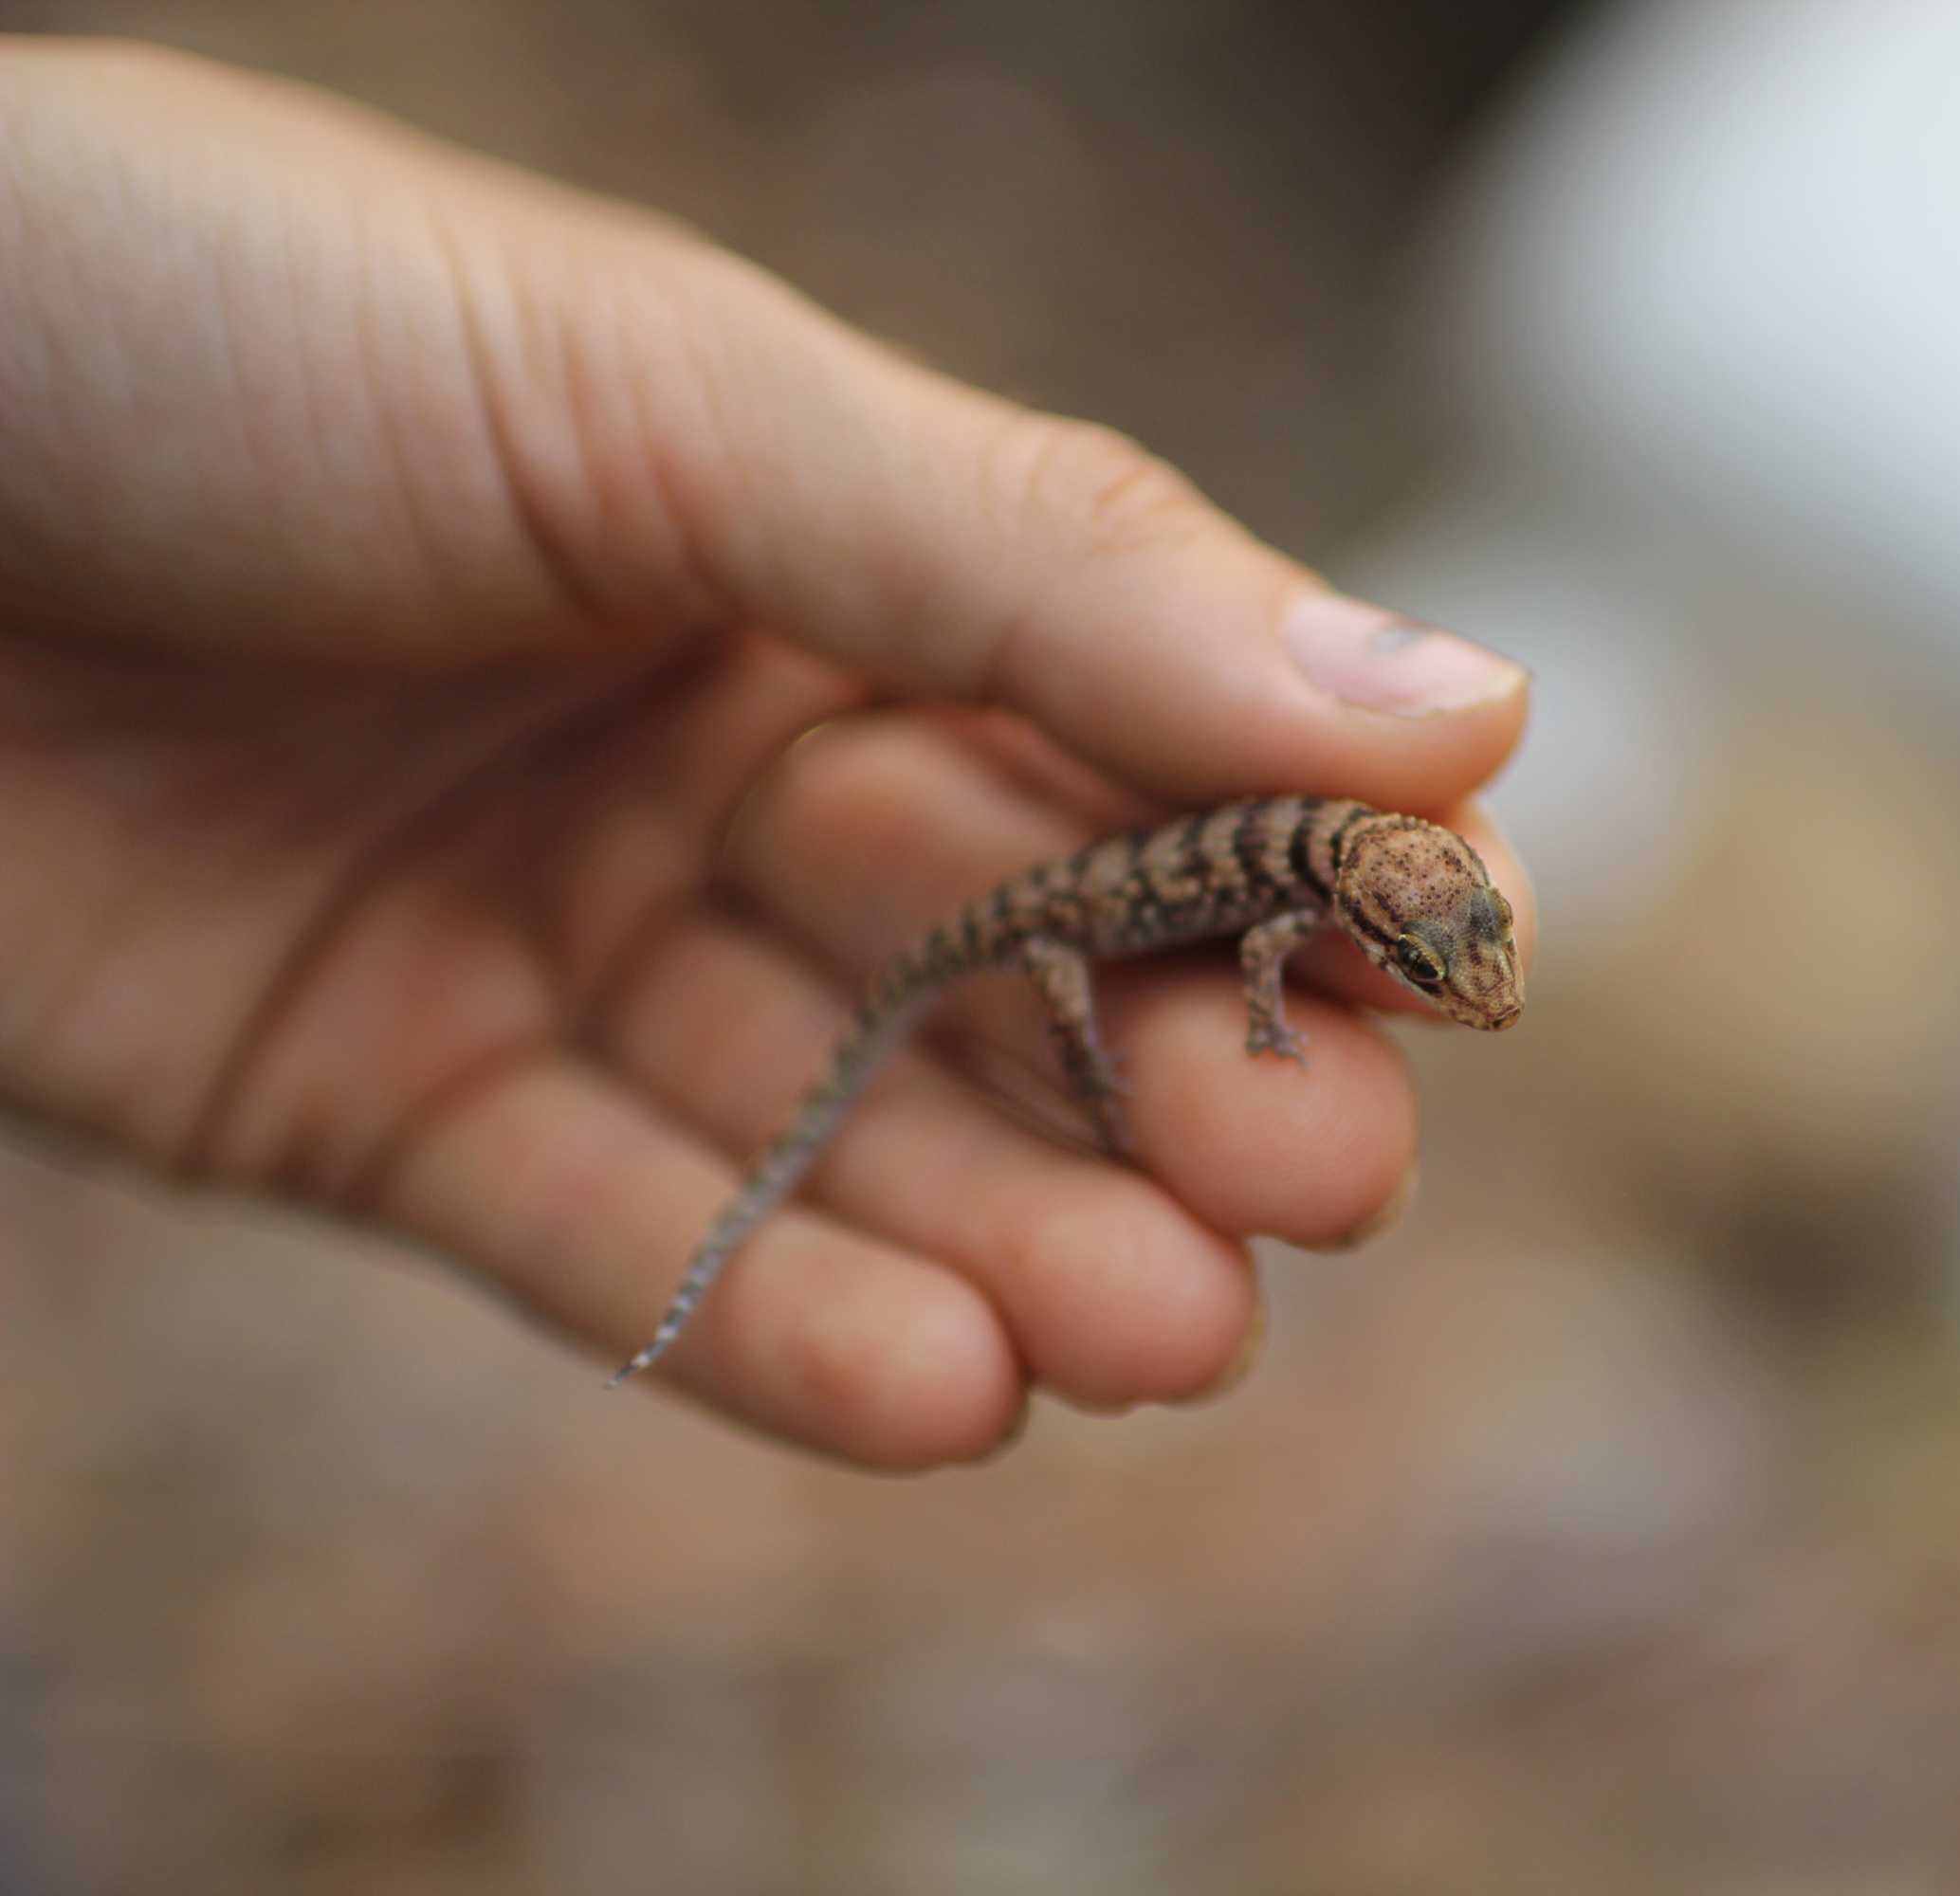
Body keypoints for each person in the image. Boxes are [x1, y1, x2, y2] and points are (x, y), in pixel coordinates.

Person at [0, 40, 1534, 1468]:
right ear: (1370, 904)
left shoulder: (1316, 866)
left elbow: (1278, 944)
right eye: (1444, 951)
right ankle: (1035, 1084)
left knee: (1085, 1250)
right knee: (1087, 1094)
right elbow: (1262, 951)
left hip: (984, 872)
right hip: (1044, 918)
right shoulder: (1281, 894)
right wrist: (1123, 1063)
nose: (1469, 978)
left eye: (1439, 948)